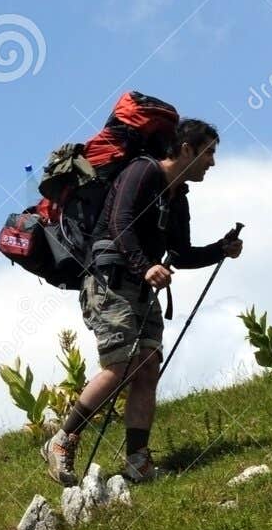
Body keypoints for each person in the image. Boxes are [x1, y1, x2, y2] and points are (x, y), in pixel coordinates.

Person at [42, 118, 242, 486]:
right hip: (110, 281)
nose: (212, 162)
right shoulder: (141, 172)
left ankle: (137, 461)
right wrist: (146, 265)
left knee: (147, 367)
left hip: (140, 284)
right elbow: (120, 225)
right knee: (121, 364)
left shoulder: (177, 196)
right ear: (186, 149)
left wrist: (220, 250)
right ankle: (62, 439)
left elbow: (180, 253)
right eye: (209, 152)